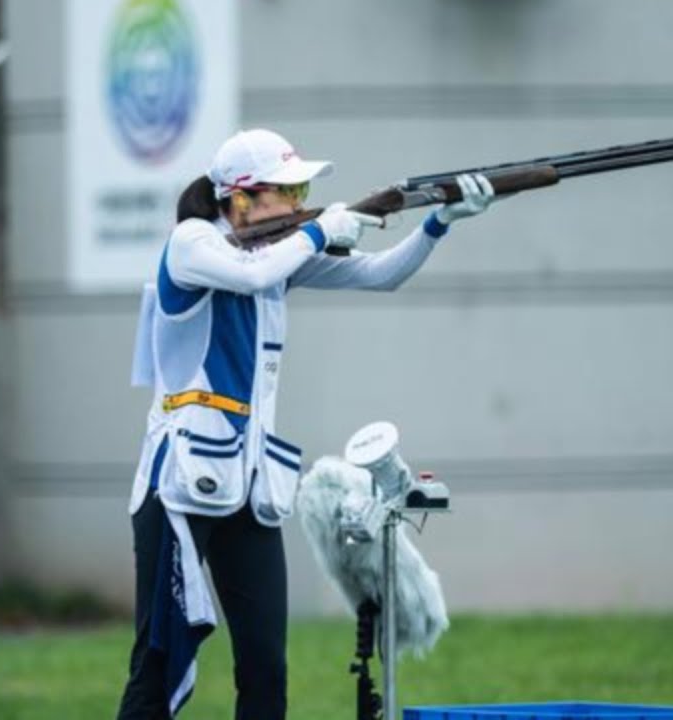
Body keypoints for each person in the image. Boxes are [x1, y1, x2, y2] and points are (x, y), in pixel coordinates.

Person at [117, 128, 496, 719]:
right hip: (180, 487)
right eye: (287, 190)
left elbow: (380, 274)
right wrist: (320, 230)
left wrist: (437, 223)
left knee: (267, 669)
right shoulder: (192, 242)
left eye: (302, 191)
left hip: (251, 489)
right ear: (240, 198)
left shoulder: (278, 256)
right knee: (157, 664)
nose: (299, 203)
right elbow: (248, 275)